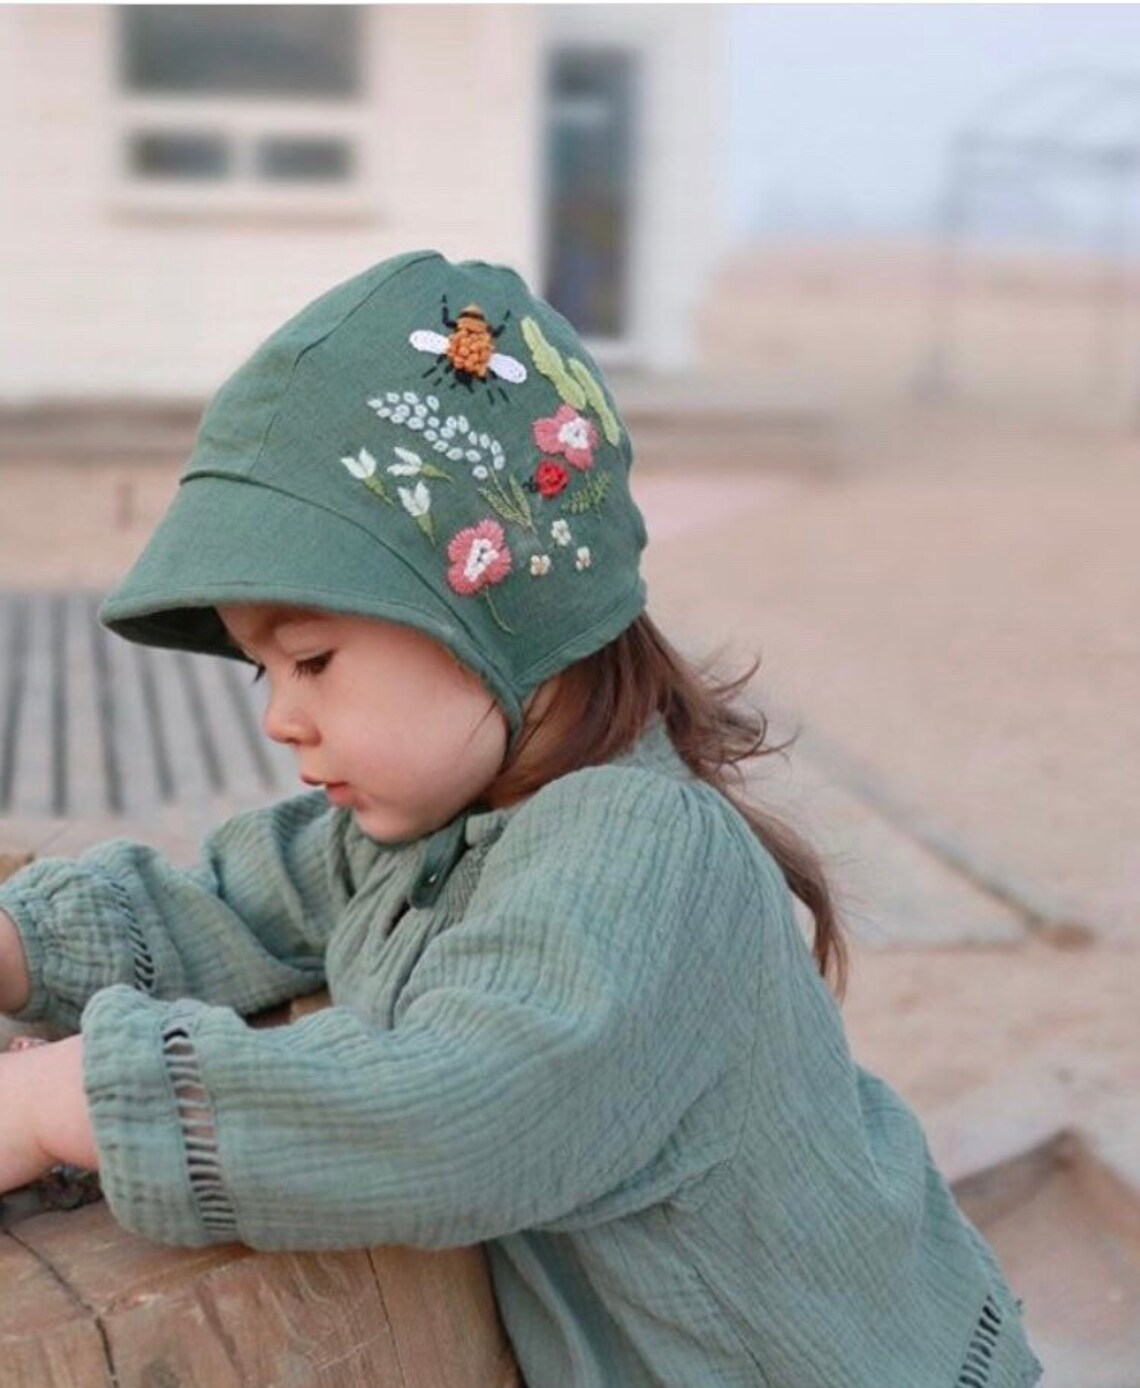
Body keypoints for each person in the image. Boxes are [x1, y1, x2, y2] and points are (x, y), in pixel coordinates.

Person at [0, 249, 1044, 1387]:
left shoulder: (647, 855)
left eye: (313, 658)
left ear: (491, 618)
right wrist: (18, 944)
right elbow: (234, 900)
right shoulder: (426, 831)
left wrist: (67, 1102)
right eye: (266, 671)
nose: (281, 718)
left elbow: (454, 1113)